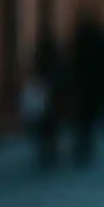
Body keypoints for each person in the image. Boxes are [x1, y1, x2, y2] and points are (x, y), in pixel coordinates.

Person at [69, 16, 104, 167]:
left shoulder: (80, 47)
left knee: (83, 121)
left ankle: (82, 146)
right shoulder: (102, 45)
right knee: (89, 119)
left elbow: (74, 66)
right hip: (96, 88)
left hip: (83, 89)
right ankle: (86, 145)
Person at [26, 36, 63, 167]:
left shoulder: (40, 60)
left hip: (46, 97)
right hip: (51, 98)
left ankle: (46, 150)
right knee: (50, 125)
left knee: (45, 125)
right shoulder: (56, 61)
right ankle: (50, 149)